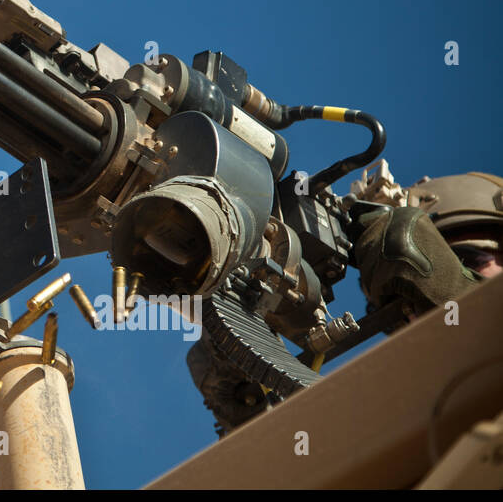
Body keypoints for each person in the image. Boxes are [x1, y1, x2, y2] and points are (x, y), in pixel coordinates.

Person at [186, 165, 502, 436]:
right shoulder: (410, 428)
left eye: (468, 262)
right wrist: (244, 408)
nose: (414, 317)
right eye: (398, 305)